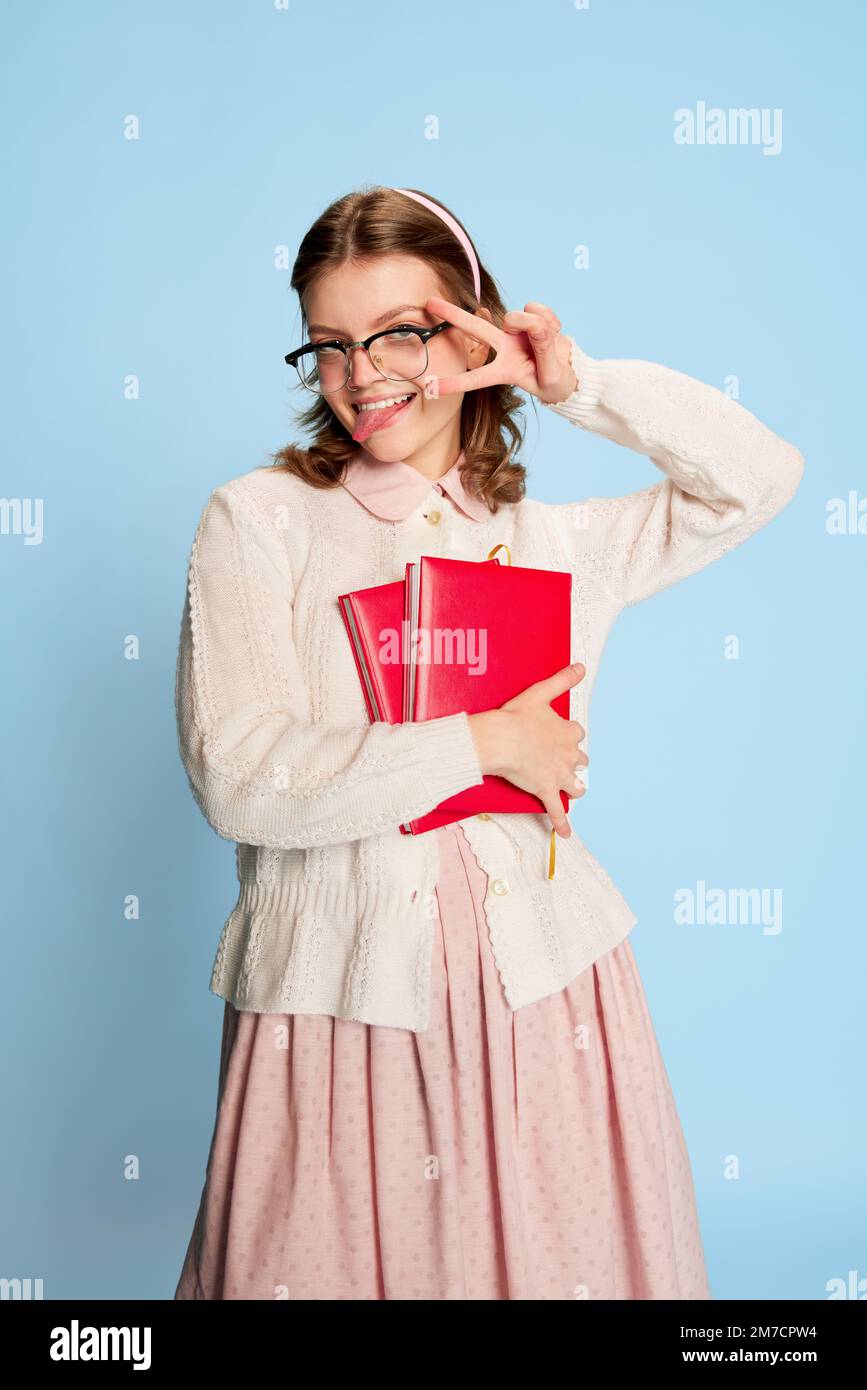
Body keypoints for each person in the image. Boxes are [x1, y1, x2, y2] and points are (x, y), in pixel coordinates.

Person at [173, 185, 804, 1300]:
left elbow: (759, 478)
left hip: (548, 1004)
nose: (364, 373)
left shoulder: (555, 540)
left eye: (402, 332)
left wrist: (577, 383)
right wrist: (483, 743)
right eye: (331, 344)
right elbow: (240, 771)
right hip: (337, 1010)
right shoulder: (256, 518)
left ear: (471, 329)